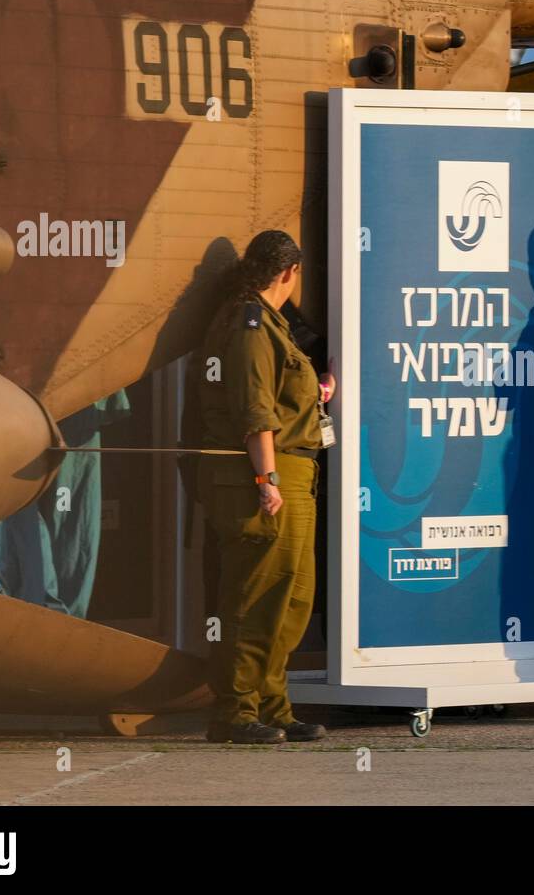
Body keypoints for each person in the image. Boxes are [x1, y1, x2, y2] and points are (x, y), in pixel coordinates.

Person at [196, 229, 335, 744]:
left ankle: (274, 706)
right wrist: (266, 478)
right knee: (254, 598)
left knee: (292, 599)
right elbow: (255, 409)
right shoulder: (251, 323)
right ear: (289, 273)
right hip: (263, 476)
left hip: (296, 472)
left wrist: (321, 388)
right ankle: (234, 712)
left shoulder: (272, 325)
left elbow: (281, 397)